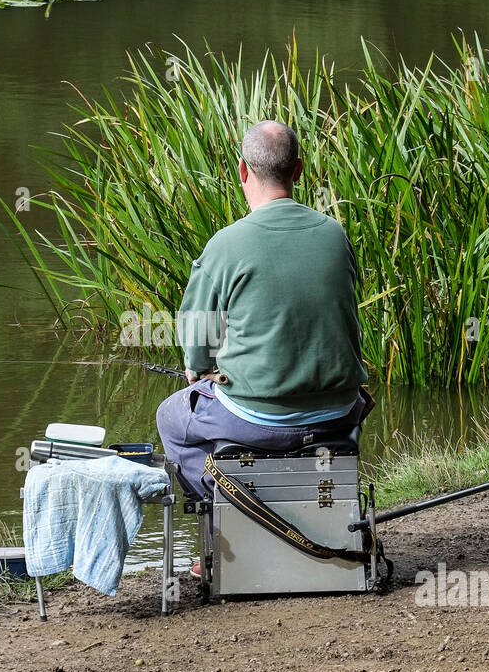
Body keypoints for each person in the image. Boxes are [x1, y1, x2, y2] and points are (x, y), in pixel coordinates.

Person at [156, 119, 369, 510]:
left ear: (243, 169)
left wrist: (197, 368)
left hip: (257, 419)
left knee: (171, 418)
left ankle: (220, 520)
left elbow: (197, 338)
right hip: (339, 412)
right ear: (298, 171)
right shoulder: (335, 235)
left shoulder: (226, 244)